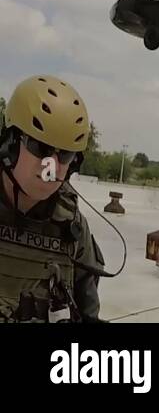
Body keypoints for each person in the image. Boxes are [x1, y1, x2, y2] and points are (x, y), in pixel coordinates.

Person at [0, 75, 105, 322]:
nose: (52, 166)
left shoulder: (71, 227)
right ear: (11, 144)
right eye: (40, 148)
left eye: (65, 155)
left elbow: (87, 312)